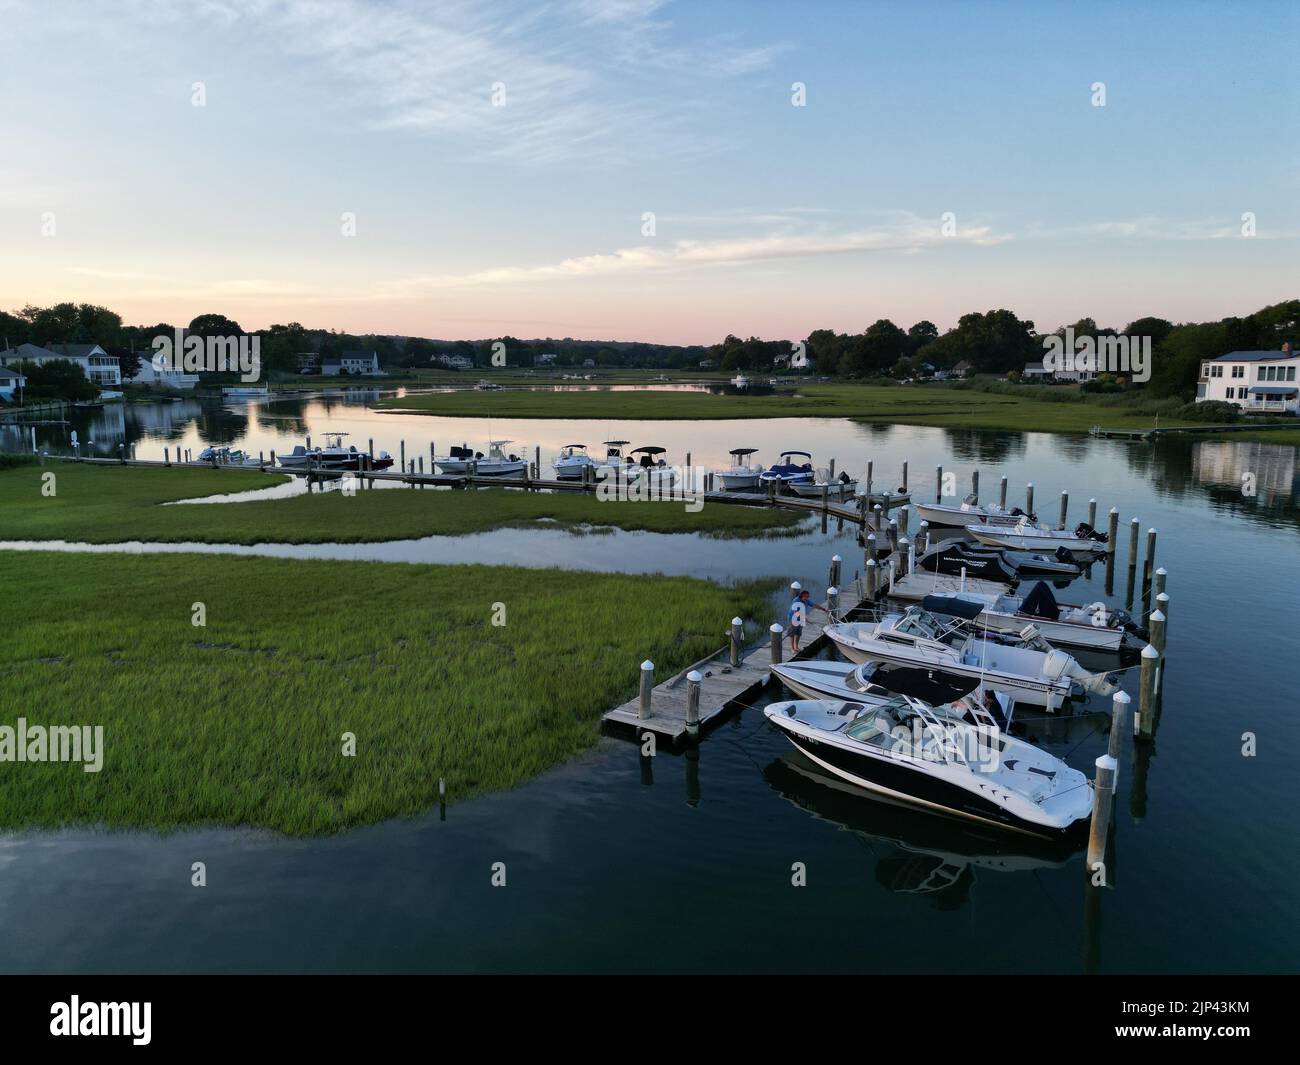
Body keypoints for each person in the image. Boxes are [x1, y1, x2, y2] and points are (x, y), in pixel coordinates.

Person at [787, 589, 824, 654]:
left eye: (808, 597)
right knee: (792, 634)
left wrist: (823, 609)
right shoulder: (796, 601)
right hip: (793, 619)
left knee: (798, 633)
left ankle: (796, 647)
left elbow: (814, 605)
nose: (807, 598)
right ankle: (792, 648)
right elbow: (796, 612)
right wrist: (804, 619)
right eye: (806, 597)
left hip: (801, 619)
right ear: (802, 596)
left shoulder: (806, 600)